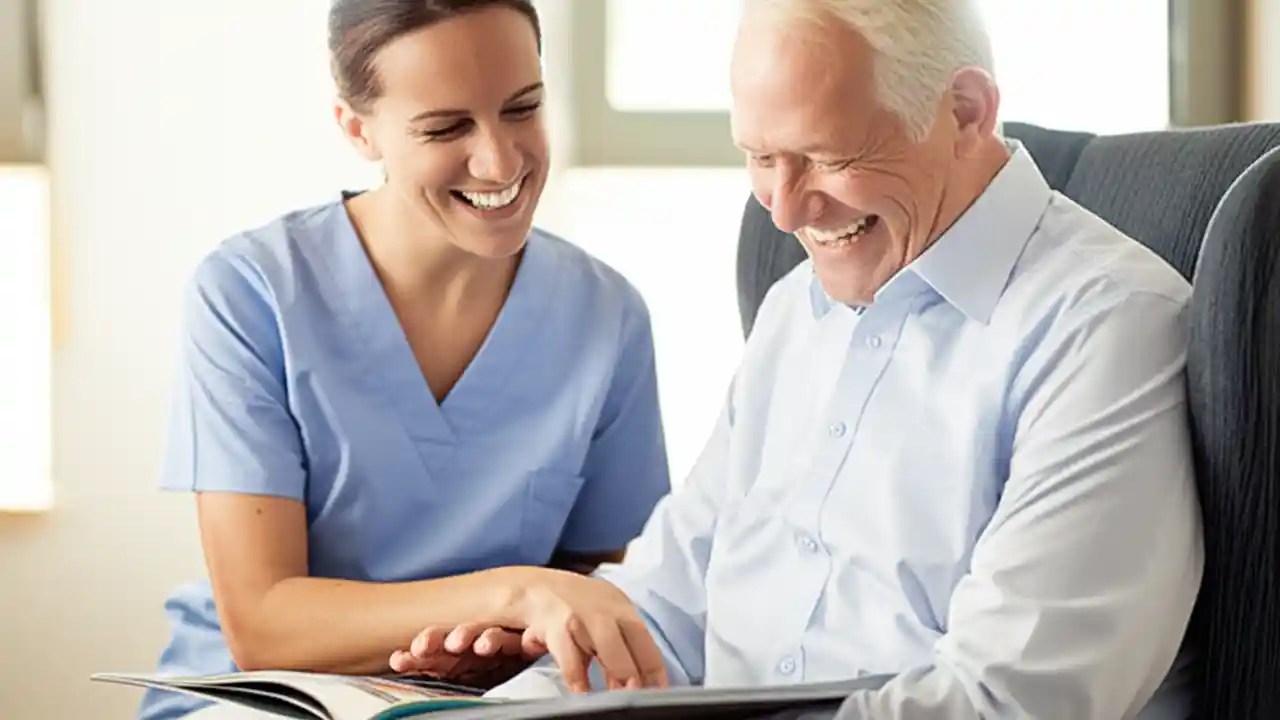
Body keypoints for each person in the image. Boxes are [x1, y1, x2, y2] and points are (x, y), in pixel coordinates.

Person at [392, 0, 1205, 717]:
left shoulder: (1104, 326)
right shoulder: (798, 311)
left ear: (964, 111)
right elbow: (664, 613)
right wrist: (505, 710)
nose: (783, 211)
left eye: (826, 156)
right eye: (760, 157)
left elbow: (1007, 700)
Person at [139, 1, 674, 718]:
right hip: (265, 705)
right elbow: (262, 624)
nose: (500, 160)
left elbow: (606, 585)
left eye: (523, 109)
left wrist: (505, 640)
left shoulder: (606, 316)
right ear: (358, 130)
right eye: (446, 127)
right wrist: (512, 594)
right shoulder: (251, 294)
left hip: (484, 700)